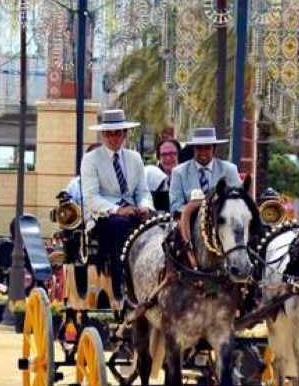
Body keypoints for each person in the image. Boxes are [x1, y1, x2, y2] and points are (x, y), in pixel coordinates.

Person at [80, 109, 153, 299]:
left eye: (117, 133)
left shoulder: (135, 158)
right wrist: (118, 210)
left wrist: (145, 206)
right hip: (104, 217)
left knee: (158, 223)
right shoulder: (91, 159)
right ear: (103, 135)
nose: (113, 138)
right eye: (108, 133)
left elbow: (142, 191)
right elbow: (91, 197)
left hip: (133, 212)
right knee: (120, 227)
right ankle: (120, 289)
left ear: (124, 135)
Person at [168, 127, 242, 213]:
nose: (203, 152)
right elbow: (175, 206)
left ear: (214, 149)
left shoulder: (229, 170)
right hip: (189, 223)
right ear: (193, 149)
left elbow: (238, 200)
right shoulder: (179, 172)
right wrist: (196, 211)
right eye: (199, 148)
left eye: (207, 148)